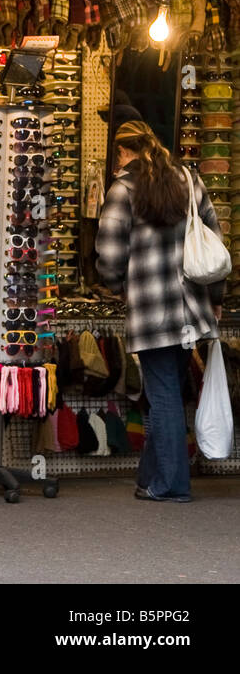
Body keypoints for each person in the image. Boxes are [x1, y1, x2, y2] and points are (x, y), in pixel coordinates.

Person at [95, 120, 224, 503]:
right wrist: (215, 298)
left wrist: (118, 286)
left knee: (163, 394)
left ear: (122, 152)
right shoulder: (188, 179)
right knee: (165, 390)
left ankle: (171, 485)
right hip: (190, 306)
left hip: (152, 309)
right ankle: (151, 476)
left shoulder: (123, 189)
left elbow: (110, 254)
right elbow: (213, 243)